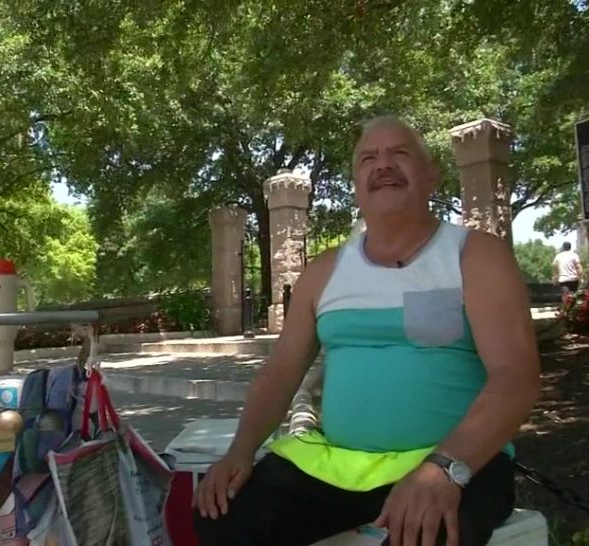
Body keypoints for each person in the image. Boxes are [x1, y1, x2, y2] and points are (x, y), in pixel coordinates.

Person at [192, 116, 541, 546]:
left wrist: (443, 469)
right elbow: (281, 371)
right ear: (356, 183)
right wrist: (240, 452)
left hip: (453, 465)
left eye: (400, 154)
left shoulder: (476, 255)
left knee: (428, 535)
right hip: (336, 467)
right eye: (368, 158)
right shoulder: (323, 272)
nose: (384, 165)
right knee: (221, 516)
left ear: (431, 175)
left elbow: (516, 379)